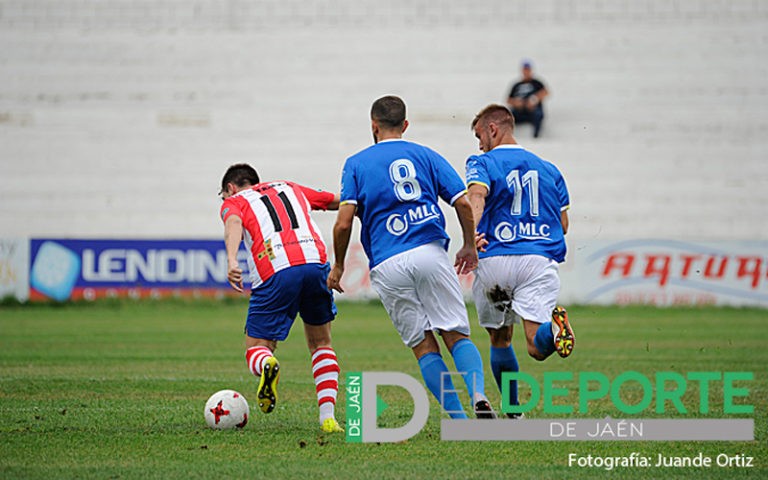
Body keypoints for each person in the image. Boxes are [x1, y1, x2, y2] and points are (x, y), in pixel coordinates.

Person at [327, 95, 495, 419]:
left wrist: (339, 265)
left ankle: (459, 420)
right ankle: (478, 394)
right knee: (455, 334)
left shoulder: (356, 163)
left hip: (387, 262)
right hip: (429, 251)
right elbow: (462, 203)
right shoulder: (425, 155)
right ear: (405, 125)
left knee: (422, 344)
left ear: (373, 126)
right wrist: (468, 245)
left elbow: (344, 222)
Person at [465, 104, 575, 417]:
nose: (480, 145)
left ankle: (513, 410)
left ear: (493, 129)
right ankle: (554, 331)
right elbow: (563, 224)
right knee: (536, 346)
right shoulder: (549, 169)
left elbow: (477, 197)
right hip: (537, 260)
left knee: (500, 339)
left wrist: (470, 236)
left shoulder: (481, 162)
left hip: (496, 259)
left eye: (480, 136)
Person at [219, 163, 344, 433]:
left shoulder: (235, 202)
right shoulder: (289, 187)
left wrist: (231, 259)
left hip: (275, 268)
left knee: (256, 347)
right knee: (321, 343)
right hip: (316, 263)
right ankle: (328, 418)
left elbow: (233, 222)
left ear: (230, 188)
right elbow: (338, 201)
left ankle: (267, 363)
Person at [506, 59, 549, 138]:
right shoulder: (517, 85)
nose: (526, 72)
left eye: (528, 70)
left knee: (538, 114)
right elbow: (508, 99)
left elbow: (546, 92)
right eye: (525, 70)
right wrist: (516, 103)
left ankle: (536, 136)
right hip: (519, 110)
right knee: (507, 116)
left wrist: (534, 99)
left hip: (533, 110)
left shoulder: (536, 83)